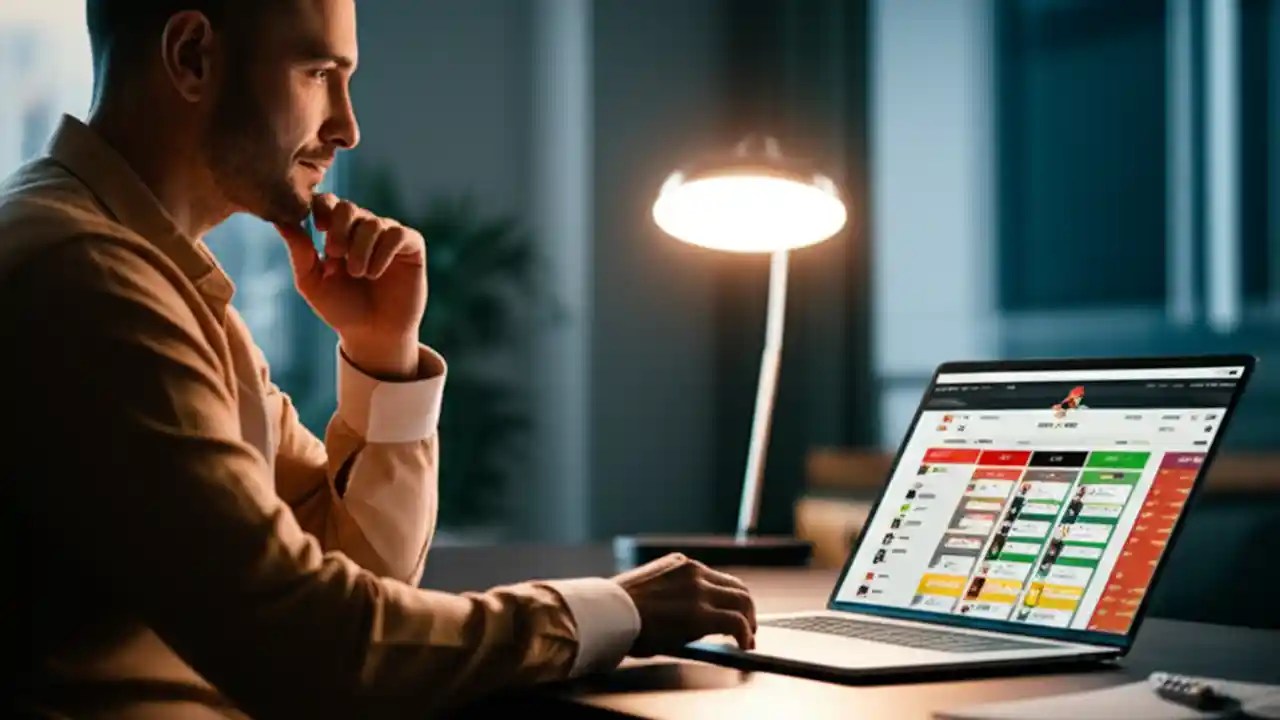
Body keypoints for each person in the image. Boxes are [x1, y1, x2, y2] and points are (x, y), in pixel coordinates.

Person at [0, 1, 756, 718]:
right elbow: (318, 648)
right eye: (319, 74)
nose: (347, 128)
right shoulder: (86, 279)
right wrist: (609, 610)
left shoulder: (154, 275)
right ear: (192, 56)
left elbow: (359, 584)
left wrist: (382, 354)